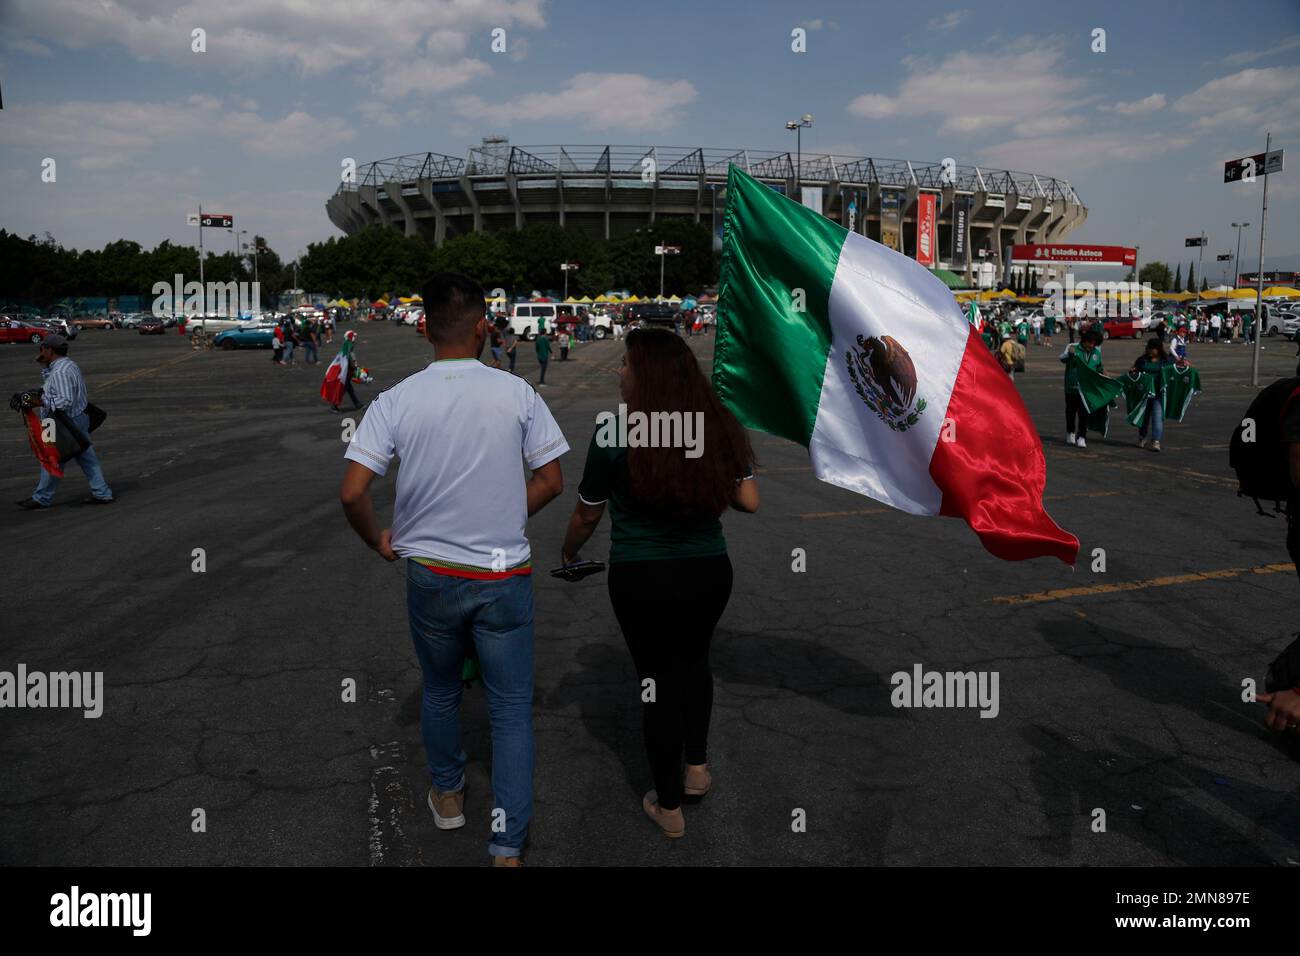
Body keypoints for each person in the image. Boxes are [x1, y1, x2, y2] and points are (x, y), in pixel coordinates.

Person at [339, 273, 568, 866]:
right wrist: (501, 513)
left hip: (431, 572)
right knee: (510, 709)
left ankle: (448, 795)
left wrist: (378, 541)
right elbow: (552, 480)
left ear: (425, 329)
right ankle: (507, 846)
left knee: (440, 691)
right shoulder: (518, 393)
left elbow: (352, 492)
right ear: (482, 327)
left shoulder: (395, 399)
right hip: (502, 577)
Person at [560, 328, 758, 838]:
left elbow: (587, 514)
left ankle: (668, 807)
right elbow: (749, 501)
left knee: (655, 683)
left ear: (645, 375)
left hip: (643, 575)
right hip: (707, 570)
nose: (619, 373)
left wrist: (569, 550)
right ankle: (695, 768)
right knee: (694, 664)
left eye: (626, 365)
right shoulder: (716, 424)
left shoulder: (613, 430)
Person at [16, 334, 114, 509]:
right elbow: (53, 387)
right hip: (76, 418)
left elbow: (64, 400)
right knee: (86, 459)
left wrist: (40, 402)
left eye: (42, 348)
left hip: (60, 422)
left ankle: (42, 497)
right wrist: (45, 366)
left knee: (50, 458)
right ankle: (102, 493)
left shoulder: (60, 371)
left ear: (49, 350)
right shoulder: (67, 365)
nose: (41, 351)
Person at [1130, 337, 1177, 451]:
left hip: (1159, 395)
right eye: (1148, 349)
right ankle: (1142, 437)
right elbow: (1134, 371)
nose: (1150, 351)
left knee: (1157, 418)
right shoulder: (1142, 361)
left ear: (1159, 349)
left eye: (1153, 349)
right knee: (1144, 418)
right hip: (1144, 395)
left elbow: (1176, 370)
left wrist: (1184, 364)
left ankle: (1156, 441)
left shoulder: (1167, 361)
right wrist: (1133, 372)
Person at [1062, 330, 1104, 448]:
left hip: (1087, 389)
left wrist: (1106, 376)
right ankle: (1070, 432)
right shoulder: (1072, 347)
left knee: (1084, 413)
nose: (1091, 345)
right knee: (1070, 412)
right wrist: (1070, 354)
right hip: (1072, 388)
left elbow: (1099, 368)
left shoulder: (1097, 353)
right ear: (1084, 341)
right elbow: (1062, 358)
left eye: (1094, 343)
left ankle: (1082, 437)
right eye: (1089, 343)